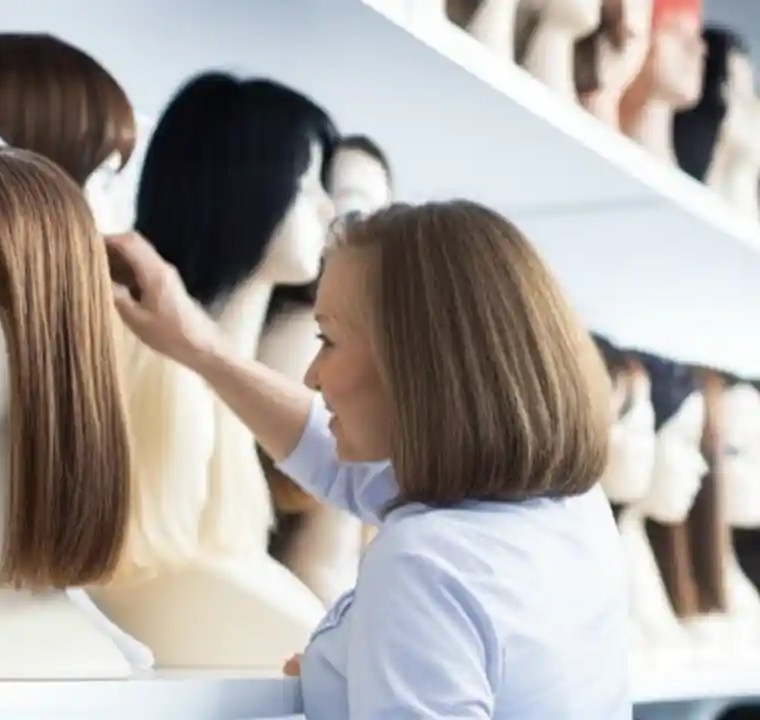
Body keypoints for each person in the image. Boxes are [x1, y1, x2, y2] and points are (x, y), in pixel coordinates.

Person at [107, 200, 629, 719]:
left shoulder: (424, 566)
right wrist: (197, 346)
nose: (312, 375)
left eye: (328, 340)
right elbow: (332, 457)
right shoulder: (575, 510)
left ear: (415, 365)